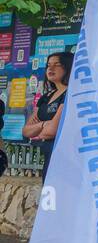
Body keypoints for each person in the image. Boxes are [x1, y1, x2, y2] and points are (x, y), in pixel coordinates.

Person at [22, 50, 73, 181]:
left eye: (57, 64)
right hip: (49, 159)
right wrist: (44, 124)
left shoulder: (70, 94)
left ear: (68, 66)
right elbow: (26, 131)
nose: (51, 68)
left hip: (67, 159)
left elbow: (51, 131)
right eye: (48, 65)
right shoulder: (45, 97)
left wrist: (40, 129)